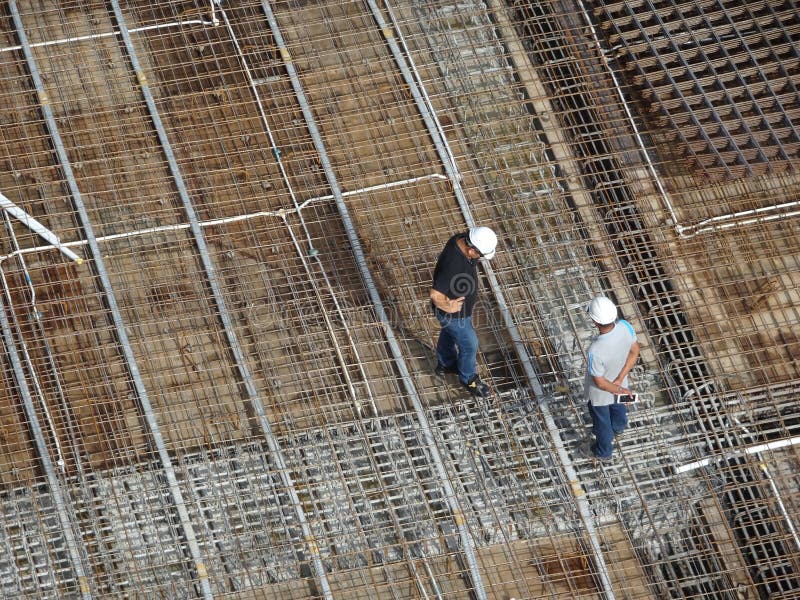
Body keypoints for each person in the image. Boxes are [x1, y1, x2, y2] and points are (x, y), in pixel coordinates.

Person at [430, 226, 498, 398]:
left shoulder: (461, 239)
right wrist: (449, 306)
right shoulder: (453, 264)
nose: (480, 258)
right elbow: (435, 294)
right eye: (480, 255)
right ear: (471, 250)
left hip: (456, 316)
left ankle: (446, 363)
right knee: (470, 345)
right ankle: (468, 379)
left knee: (449, 333)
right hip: (454, 316)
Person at [584, 296, 640, 462]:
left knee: (602, 424)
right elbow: (634, 352)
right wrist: (620, 381)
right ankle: (619, 427)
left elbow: (600, 383)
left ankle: (604, 452)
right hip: (620, 383)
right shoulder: (625, 326)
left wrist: (618, 388)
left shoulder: (596, 350)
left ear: (595, 321)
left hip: (600, 394)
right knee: (618, 407)